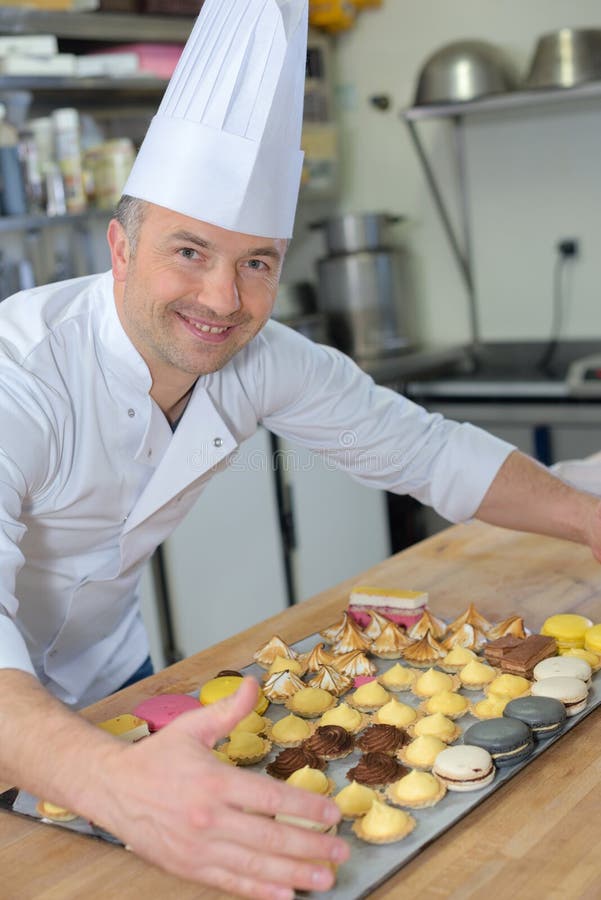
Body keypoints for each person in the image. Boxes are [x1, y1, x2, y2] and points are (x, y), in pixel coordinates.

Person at [1, 3, 601, 899]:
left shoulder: (264, 357)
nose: (222, 296)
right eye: (190, 250)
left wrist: (593, 520)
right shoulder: (20, 376)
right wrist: (107, 783)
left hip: (112, 673)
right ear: (119, 247)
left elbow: (429, 453)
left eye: (257, 262)